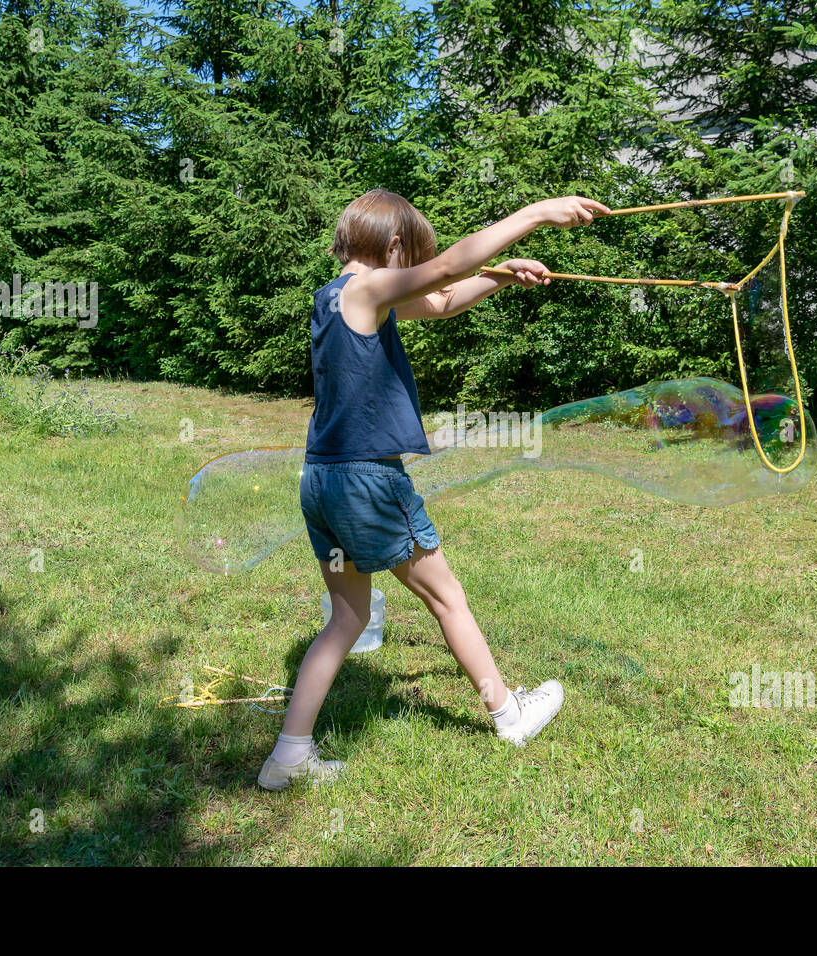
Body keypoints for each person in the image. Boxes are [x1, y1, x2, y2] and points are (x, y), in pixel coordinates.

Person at [258, 188, 611, 790]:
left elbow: (443, 299)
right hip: (369, 480)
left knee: (346, 618)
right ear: (395, 246)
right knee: (447, 597)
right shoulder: (368, 290)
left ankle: (287, 756)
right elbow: (447, 269)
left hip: (322, 478)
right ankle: (509, 714)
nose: (416, 266)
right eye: (411, 255)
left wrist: (502, 277)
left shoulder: (336, 297)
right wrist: (534, 214)